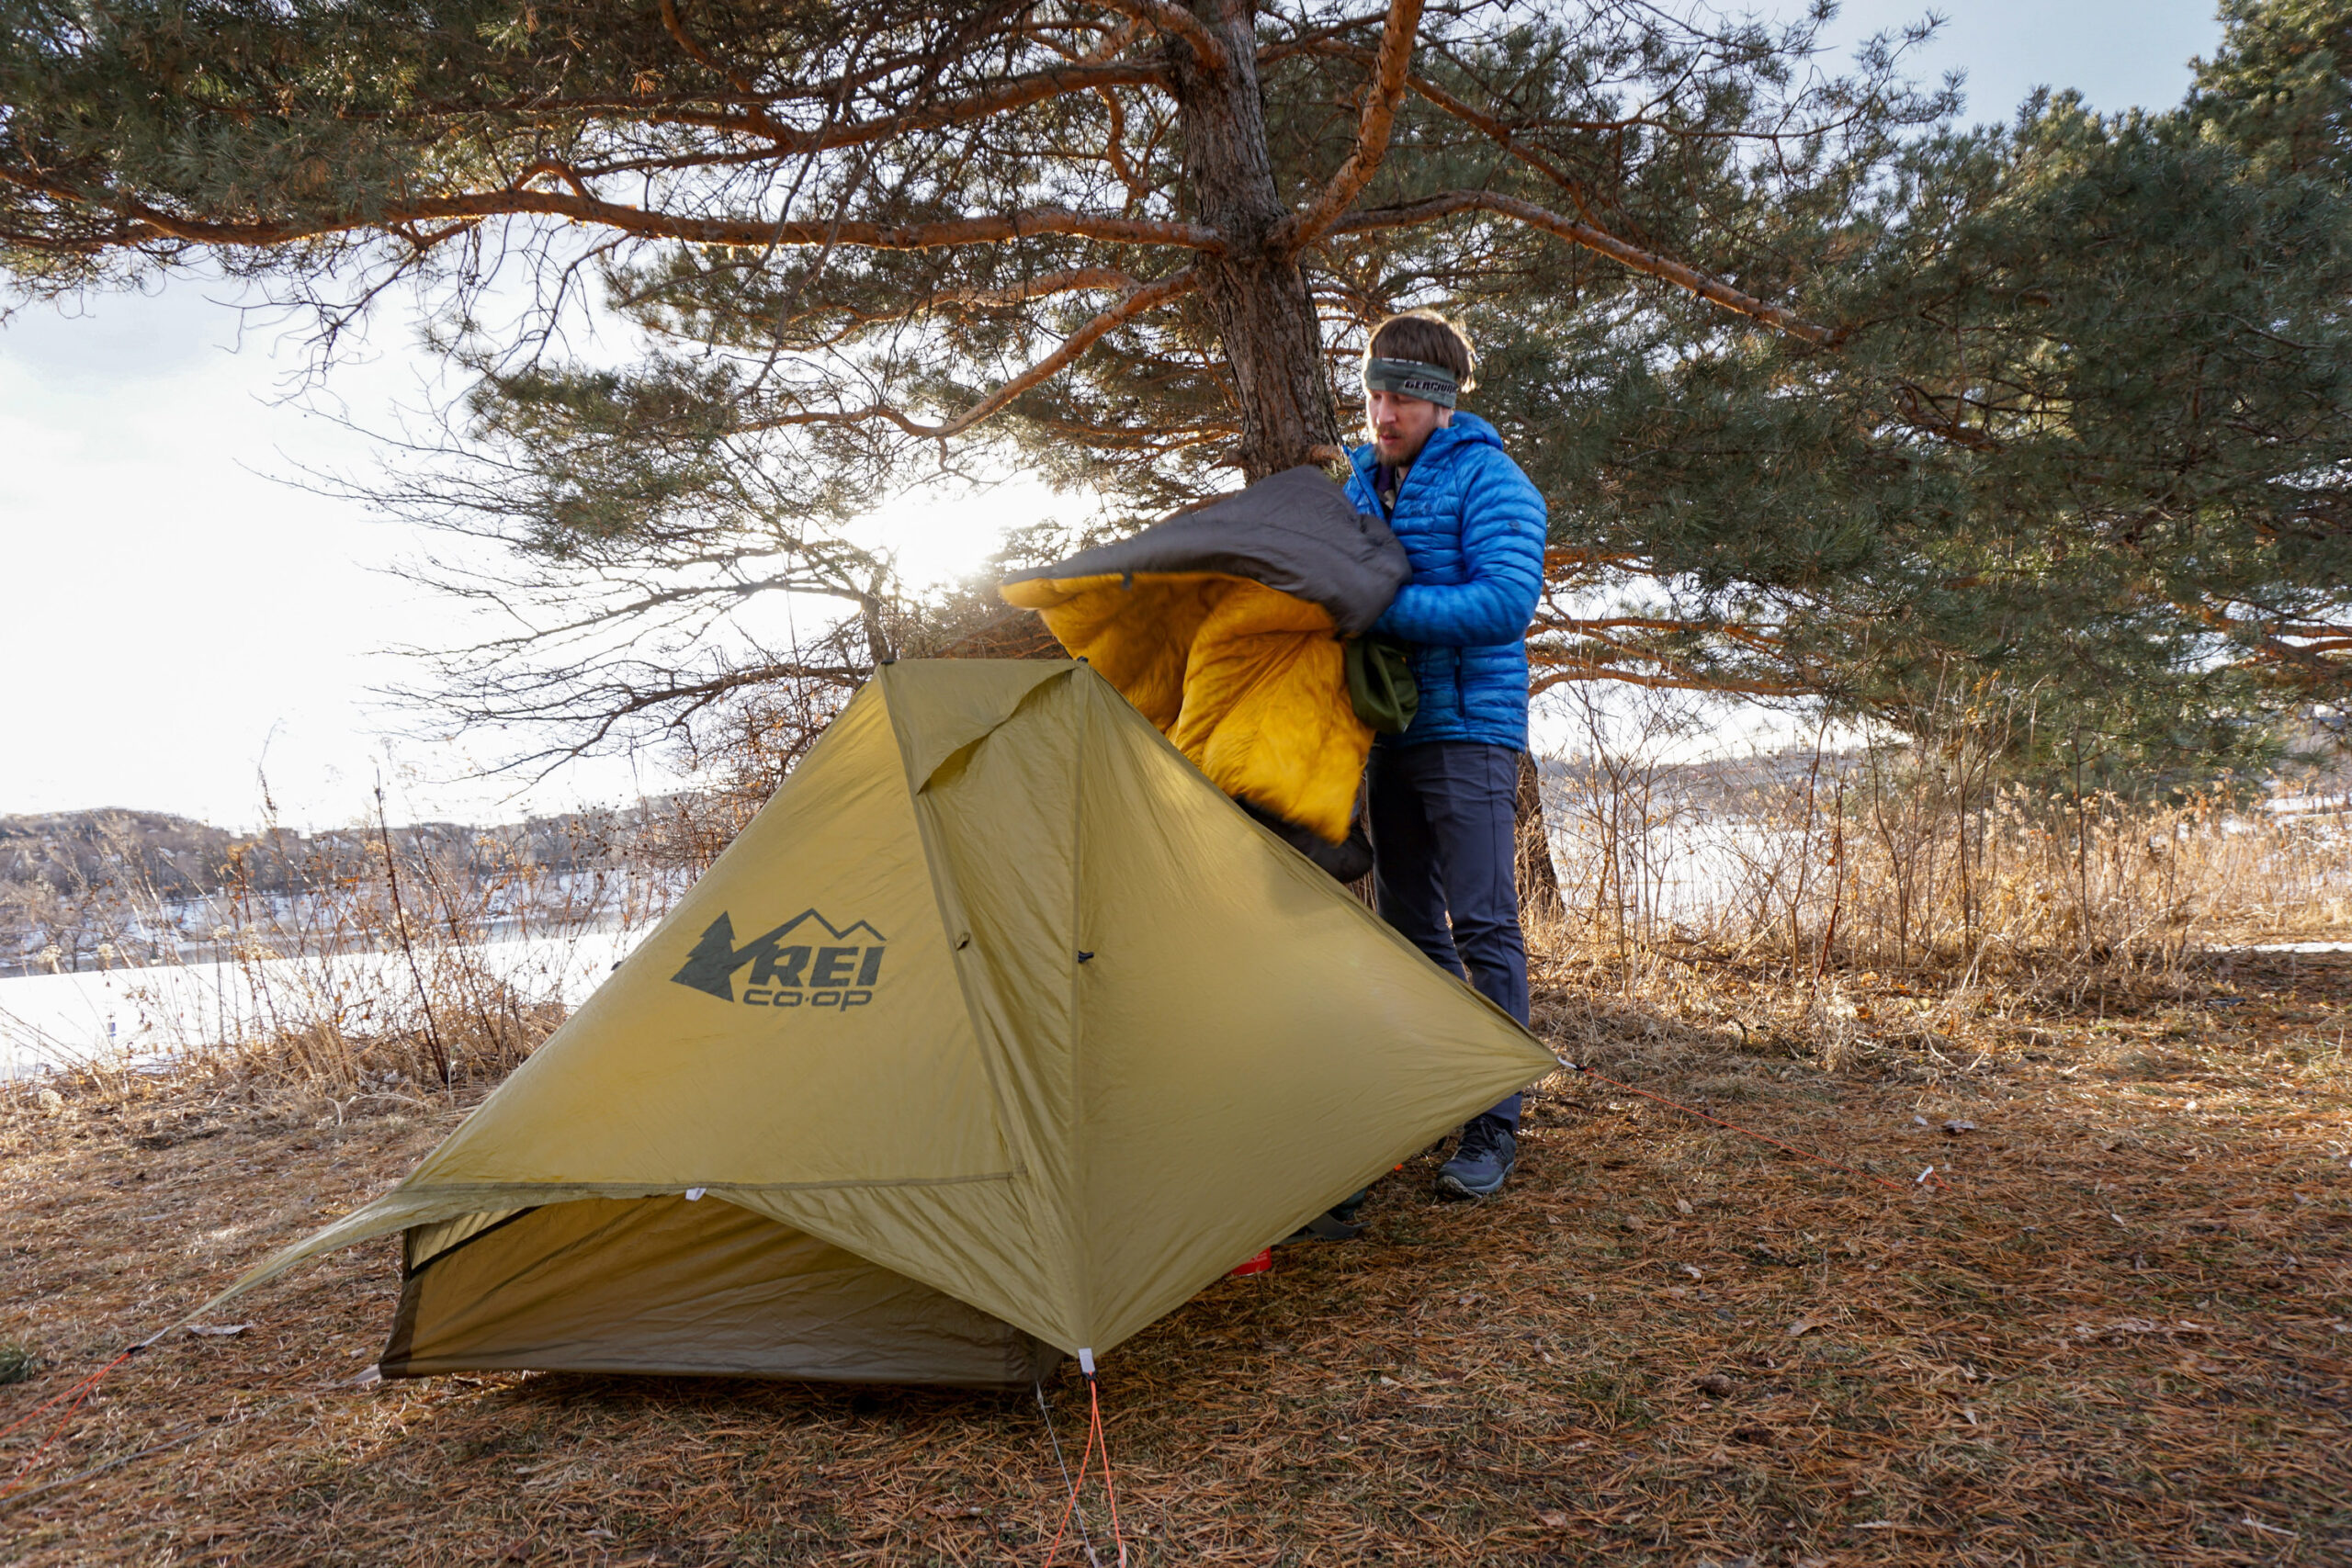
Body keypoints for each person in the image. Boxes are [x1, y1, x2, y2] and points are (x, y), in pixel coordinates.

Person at [1344, 310, 1547, 1201]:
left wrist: (1373, 613)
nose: (1382, 414)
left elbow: (1502, 603)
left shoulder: (1493, 481)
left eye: (1399, 399)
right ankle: (1439, 1089)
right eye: (1373, 395)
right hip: (1386, 732)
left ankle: (1492, 1124)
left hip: (1468, 729)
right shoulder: (1356, 483)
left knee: (1484, 926)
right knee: (1408, 929)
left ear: (1437, 402)